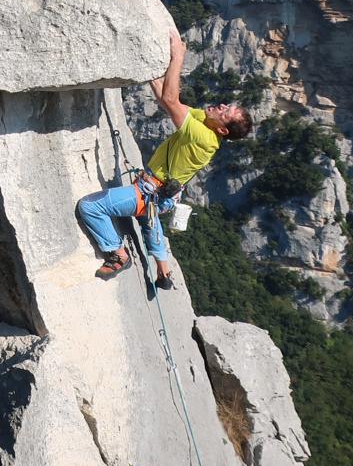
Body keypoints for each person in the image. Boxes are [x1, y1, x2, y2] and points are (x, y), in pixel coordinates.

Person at [75, 29, 254, 290]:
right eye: (228, 105)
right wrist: (149, 69)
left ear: (222, 130)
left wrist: (177, 56)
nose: (222, 106)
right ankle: (163, 269)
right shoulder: (203, 120)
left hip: (147, 192)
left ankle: (117, 253)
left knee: (89, 207)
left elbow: (171, 99)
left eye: (227, 112)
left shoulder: (205, 137)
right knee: (150, 220)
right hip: (162, 197)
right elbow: (167, 100)